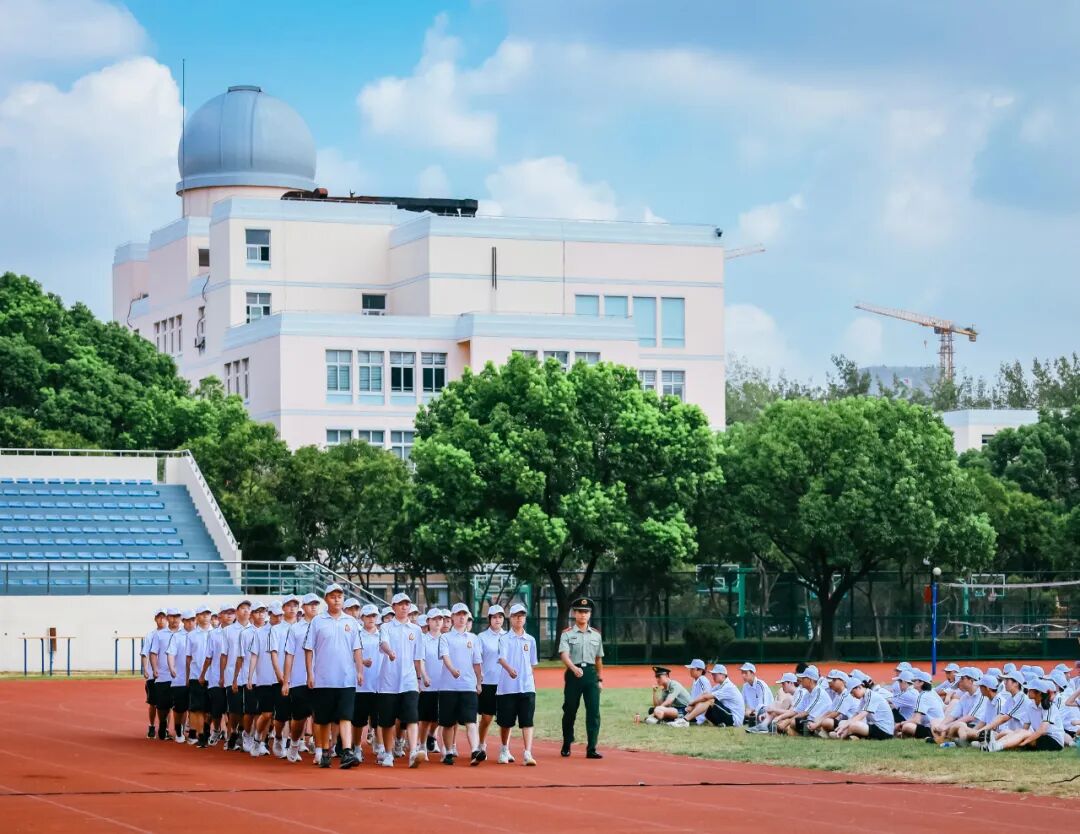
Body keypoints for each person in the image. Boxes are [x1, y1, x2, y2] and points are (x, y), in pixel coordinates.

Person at [303, 583, 363, 769]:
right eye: (332, 596)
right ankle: (324, 751)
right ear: (326, 599)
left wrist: (359, 670)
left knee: (345, 716)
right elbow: (308, 649)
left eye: (340, 596)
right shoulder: (317, 621)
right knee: (323, 719)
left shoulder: (351, 622)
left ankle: (346, 751)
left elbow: (357, 648)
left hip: (346, 678)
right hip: (323, 679)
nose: (336, 599)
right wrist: (310, 673)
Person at [377, 591, 429, 768]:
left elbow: (418, 658)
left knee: (412, 717)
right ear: (393, 607)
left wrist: (420, 678)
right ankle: (388, 753)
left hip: (409, 681)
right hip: (388, 682)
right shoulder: (386, 627)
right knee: (387, 721)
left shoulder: (415, 630)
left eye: (407, 604)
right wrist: (389, 651)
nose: (404, 607)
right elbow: (383, 644)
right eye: (400, 604)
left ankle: (413, 752)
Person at [558, 596, 604, 759]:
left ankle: (591, 747)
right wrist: (573, 668)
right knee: (570, 710)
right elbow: (564, 654)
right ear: (574, 613)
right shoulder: (567, 634)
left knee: (593, 712)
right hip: (573, 675)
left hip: (591, 675)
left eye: (586, 612)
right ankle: (567, 742)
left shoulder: (596, 635)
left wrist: (600, 679)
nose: (583, 615)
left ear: (590, 614)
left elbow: (599, 659)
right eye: (580, 612)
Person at [439, 602, 485, 765]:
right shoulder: (445, 637)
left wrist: (479, 682)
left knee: (471, 720)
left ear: (467, 617)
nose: (461, 617)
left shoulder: (474, 639)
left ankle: (475, 750)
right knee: (448, 723)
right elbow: (445, 656)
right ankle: (449, 751)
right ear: (452, 617)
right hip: (448, 687)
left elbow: (477, 662)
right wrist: (452, 669)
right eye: (458, 614)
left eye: (464, 614)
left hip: (468, 686)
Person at [495, 602, 538, 765]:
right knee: (506, 722)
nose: (519, 618)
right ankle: (504, 749)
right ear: (510, 618)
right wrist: (509, 669)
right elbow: (501, 658)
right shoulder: (504, 639)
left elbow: (532, 663)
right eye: (516, 616)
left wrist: (527, 677)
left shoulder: (531, 640)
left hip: (527, 686)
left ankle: (527, 753)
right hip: (507, 688)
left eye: (522, 616)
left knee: (527, 721)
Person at [281, 592, 320, 763]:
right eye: (310, 604)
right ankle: (295, 743)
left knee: (320, 716)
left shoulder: (322, 626)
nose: (313, 607)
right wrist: (286, 681)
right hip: (299, 679)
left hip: (321, 679)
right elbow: (289, 655)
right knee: (299, 719)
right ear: (303, 608)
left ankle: (320, 751)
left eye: (316, 604)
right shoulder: (295, 629)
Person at [987, 679, 1066, 752]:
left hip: (1054, 741)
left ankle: (996, 746)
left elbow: (1042, 730)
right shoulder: (1030, 706)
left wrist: (1024, 742)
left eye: (1030, 690)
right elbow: (1024, 728)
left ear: (1039, 692)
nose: (1028, 691)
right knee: (1012, 731)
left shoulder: (1049, 707)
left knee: (1023, 734)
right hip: (1040, 738)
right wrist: (1018, 736)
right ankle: (993, 744)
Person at [199, 602, 234, 746]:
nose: (229, 615)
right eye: (226, 613)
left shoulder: (239, 632)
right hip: (215, 677)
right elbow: (209, 656)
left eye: (232, 613)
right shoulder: (213, 634)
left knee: (232, 710)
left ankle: (231, 736)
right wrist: (202, 674)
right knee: (217, 709)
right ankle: (217, 729)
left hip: (233, 677)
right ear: (220, 616)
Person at [245, 601, 277, 757]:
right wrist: (250, 677)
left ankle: (264, 742)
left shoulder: (287, 631)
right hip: (264, 679)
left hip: (281, 679)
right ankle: (257, 739)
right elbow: (254, 656)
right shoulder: (260, 633)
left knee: (277, 716)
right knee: (266, 713)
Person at [352, 603, 382, 764]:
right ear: (362, 618)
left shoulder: (383, 635)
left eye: (374, 616)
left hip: (379, 684)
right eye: (368, 616)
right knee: (358, 721)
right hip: (361, 685)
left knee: (380, 721)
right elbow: (350, 655)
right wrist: (362, 661)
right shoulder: (357, 635)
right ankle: (357, 747)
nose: (371, 619)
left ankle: (381, 747)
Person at [269, 595, 299, 758]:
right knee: (281, 715)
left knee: (298, 715)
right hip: (281, 679)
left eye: (295, 605)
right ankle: (279, 737)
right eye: (289, 605)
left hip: (299, 678)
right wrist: (281, 676)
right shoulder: (276, 629)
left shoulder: (304, 627)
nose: (292, 608)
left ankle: (292, 745)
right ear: (283, 609)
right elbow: (274, 655)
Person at [223, 597, 253, 752]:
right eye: (242, 608)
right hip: (231, 675)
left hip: (250, 676)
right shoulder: (227, 631)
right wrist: (223, 676)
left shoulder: (255, 631)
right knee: (234, 709)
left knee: (248, 709)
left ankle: (244, 733)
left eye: (248, 608)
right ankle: (232, 732)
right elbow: (224, 654)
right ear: (236, 612)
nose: (246, 610)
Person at [147, 607, 181, 740]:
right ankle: (162, 724)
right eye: (172, 616)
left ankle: (178, 730)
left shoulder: (184, 633)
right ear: (168, 618)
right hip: (163, 675)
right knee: (162, 704)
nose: (174, 619)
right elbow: (153, 652)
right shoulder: (159, 634)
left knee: (178, 705)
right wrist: (154, 668)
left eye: (177, 616)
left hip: (180, 676)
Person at [477, 604, 506, 755]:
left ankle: (504, 748)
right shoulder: (482, 637)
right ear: (489, 619)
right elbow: (477, 660)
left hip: (505, 684)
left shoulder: (508, 636)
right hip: (488, 682)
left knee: (505, 719)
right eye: (494, 617)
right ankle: (481, 744)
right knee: (487, 718)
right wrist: (478, 679)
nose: (497, 620)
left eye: (500, 617)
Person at [185, 604, 213, 748]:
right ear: (197, 617)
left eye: (208, 614)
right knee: (197, 708)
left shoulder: (216, 633)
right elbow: (188, 658)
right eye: (202, 614)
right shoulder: (191, 635)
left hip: (213, 677)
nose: (205, 616)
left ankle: (208, 729)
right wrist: (188, 677)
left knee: (211, 709)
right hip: (196, 676)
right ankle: (201, 735)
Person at [833, 674, 894, 741]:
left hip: (884, 731)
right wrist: (844, 724)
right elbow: (856, 714)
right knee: (843, 722)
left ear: (859, 687)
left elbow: (861, 716)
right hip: (875, 728)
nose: (852, 696)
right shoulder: (864, 697)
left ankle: (839, 736)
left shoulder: (872, 696)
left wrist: (843, 727)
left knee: (853, 725)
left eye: (852, 693)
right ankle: (845, 735)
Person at [418, 608, 444, 759]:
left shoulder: (446, 639)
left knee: (439, 717)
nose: (437, 622)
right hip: (428, 685)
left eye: (440, 619)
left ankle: (431, 737)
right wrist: (424, 675)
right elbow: (420, 660)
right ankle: (422, 745)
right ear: (428, 622)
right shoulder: (423, 639)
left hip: (443, 684)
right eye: (434, 619)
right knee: (426, 718)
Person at [776, 666, 829, 736]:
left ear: (810, 680)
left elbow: (806, 712)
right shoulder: (807, 692)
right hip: (809, 720)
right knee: (790, 723)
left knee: (792, 723)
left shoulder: (818, 692)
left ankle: (815, 733)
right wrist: (781, 718)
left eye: (804, 678)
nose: (801, 680)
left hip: (818, 722)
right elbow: (797, 711)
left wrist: (787, 722)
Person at [900, 669, 946, 741]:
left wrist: (901, 724)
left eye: (915, 680)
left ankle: (928, 737)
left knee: (907, 727)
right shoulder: (931, 693)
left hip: (932, 729)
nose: (913, 683)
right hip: (939, 727)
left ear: (921, 683)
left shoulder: (923, 695)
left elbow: (917, 720)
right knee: (906, 726)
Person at [141, 607, 166, 739]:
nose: (162, 619)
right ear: (155, 619)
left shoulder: (172, 634)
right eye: (159, 617)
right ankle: (151, 725)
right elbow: (145, 653)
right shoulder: (151, 635)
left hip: (167, 675)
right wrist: (145, 668)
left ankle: (164, 726)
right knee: (153, 703)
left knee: (167, 704)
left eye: (164, 617)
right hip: (153, 675)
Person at [739, 662, 773, 727]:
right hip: (752, 713)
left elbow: (763, 706)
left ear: (753, 673)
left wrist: (751, 711)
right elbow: (741, 703)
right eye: (742, 673)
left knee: (758, 713)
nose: (743, 675)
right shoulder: (745, 686)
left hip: (764, 712)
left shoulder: (761, 685)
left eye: (746, 673)